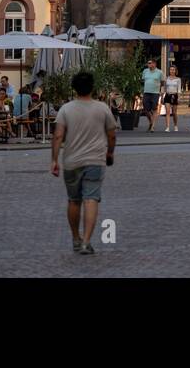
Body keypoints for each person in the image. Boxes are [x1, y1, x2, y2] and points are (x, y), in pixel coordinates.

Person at [50, 70, 118, 256]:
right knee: (91, 199)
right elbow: (112, 134)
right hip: (96, 160)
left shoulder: (66, 109)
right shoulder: (102, 108)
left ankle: (75, 238)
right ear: (92, 88)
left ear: (74, 88)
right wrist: (110, 153)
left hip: (71, 161)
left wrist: (54, 160)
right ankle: (87, 242)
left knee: (73, 200)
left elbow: (57, 136)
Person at [141, 58, 164, 132]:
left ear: (154, 64)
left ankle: (153, 126)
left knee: (154, 109)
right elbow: (143, 81)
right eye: (148, 63)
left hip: (155, 93)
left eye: (150, 63)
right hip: (146, 92)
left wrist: (161, 92)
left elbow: (162, 83)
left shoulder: (159, 72)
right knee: (145, 108)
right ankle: (151, 120)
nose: (149, 64)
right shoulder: (145, 71)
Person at [162, 65, 182, 132]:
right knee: (167, 112)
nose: (172, 71)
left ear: (175, 71)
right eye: (171, 69)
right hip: (168, 95)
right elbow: (164, 88)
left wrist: (179, 98)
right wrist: (162, 96)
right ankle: (167, 127)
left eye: (173, 69)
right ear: (169, 71)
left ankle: (175, 125)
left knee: (174, 113)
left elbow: (179, 89)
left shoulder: (178, 79)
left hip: (174, 95)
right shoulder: (166, 78)